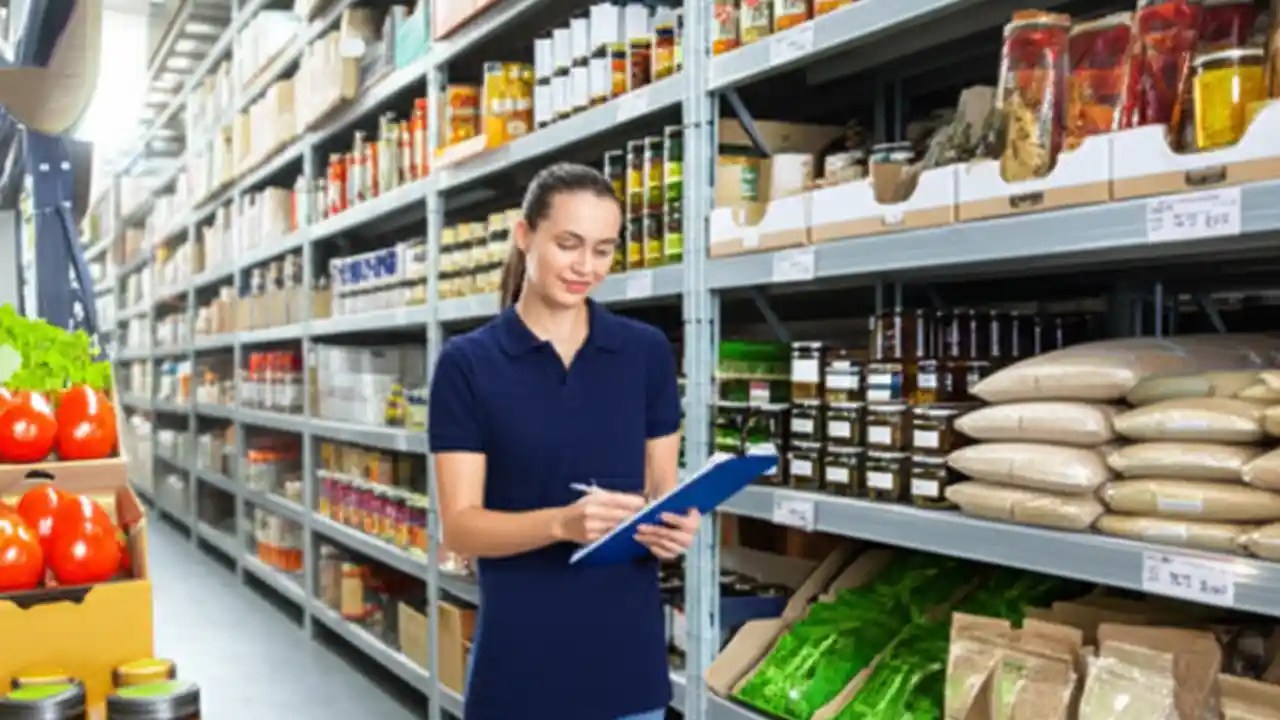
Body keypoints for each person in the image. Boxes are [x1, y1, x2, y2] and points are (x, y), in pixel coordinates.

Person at [428, 162, 700, 720]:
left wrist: (677, 525)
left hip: (629, 668)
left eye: (603, 250)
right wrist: (561, 523)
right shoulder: (468, 365)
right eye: (569, 244)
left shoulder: (644, 353)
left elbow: (661, 492)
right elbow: (460, 525)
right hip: (521, 668)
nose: (585, 267)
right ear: (525, 236)